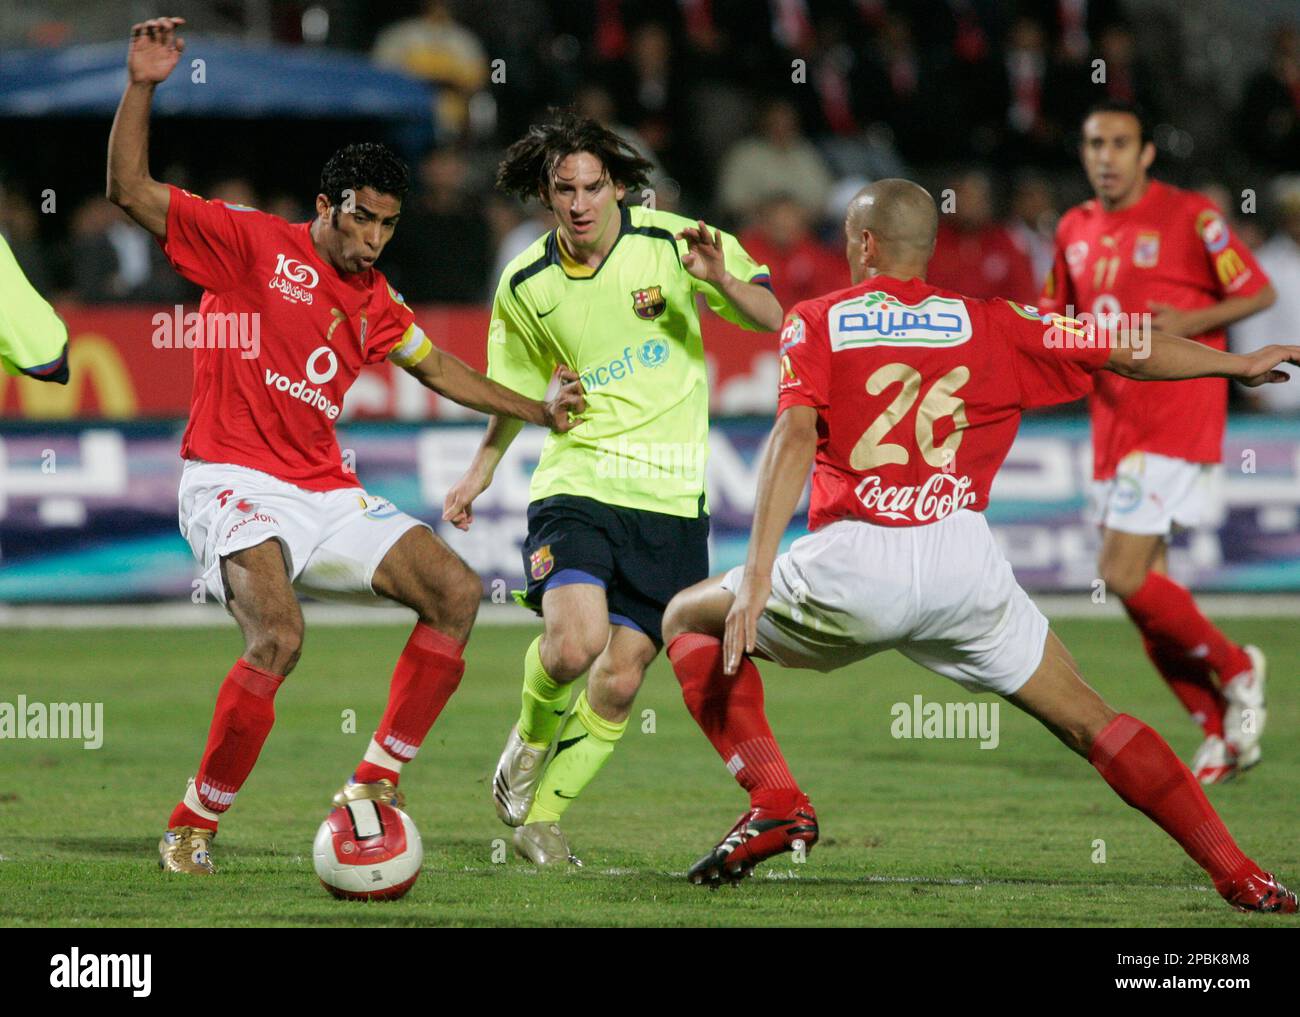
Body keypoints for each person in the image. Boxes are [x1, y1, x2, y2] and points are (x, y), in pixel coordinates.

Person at [660, 178, 1298, 914]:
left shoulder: (818, 319)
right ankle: (1241, 873)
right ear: (926, 248)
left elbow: (796, 432)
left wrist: (760, 572)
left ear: (864, 243)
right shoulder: (993, 320)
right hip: (964, 563)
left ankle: (776, 796)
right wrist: (1234, 365)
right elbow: (1126, 349)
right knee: (1090, 719)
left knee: (685, 616)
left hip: (855, 563)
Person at [107, 17, 584, 875]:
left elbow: (438, 366)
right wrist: (142, 84)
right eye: (361, 221)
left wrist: (537, 409)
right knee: (279, 640)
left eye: (388, 226)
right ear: (326, 206)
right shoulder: (250, 245)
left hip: (324, 489)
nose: (372, 241)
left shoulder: (375, 298)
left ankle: (374, 779)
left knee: (456, 590)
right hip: (229, 480)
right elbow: (129, 188)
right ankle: (191, 823)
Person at [442, 109, 782, 865]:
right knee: (574, 643)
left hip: (670, 499)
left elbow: (773, 316)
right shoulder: (525, 282)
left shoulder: (676, 242)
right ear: (546, 193)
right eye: (565, 189)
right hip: (580, 479)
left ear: (620, 187)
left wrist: (722, 278)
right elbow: (515, 393)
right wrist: (478, 473)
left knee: (622, 678)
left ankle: (543, 818)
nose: (582, 203)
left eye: (596, 187)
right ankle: (529, 742)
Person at [1039, 101, 1277, 784]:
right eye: (1093, 143)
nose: (1105, 156)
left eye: (1119, 143)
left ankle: (1236, 668)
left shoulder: (1192, 216)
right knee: (1145, 590)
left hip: (1175, 412)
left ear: (1146, 153)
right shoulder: (1073, 228)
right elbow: (1053, 315)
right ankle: (1222, 732)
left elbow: (1256, 292)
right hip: (1113, 421)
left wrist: (1195, 318)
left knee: (1120, 573)